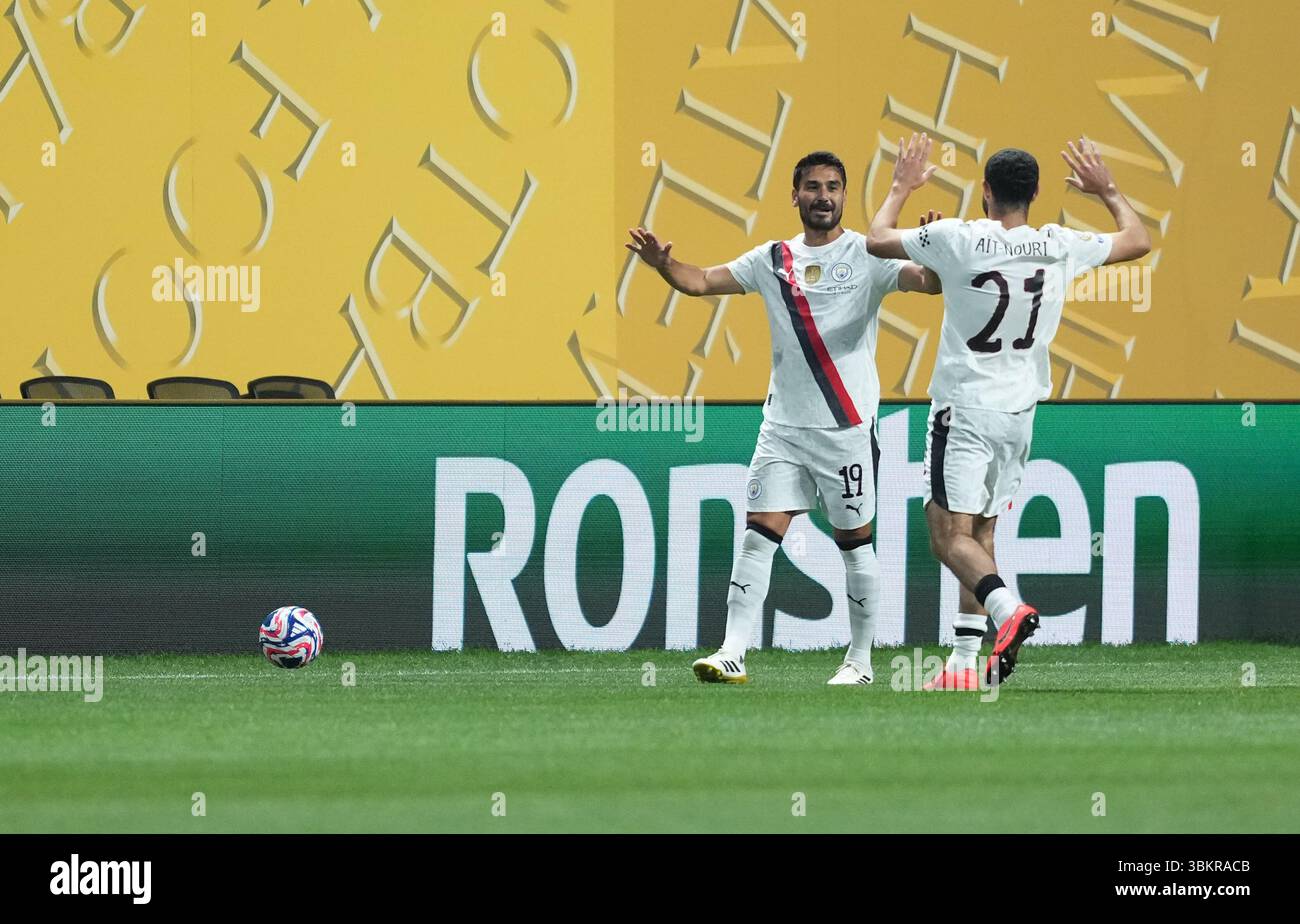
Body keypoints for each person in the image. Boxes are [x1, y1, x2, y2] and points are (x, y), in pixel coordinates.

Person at [626, 150, 941, 685]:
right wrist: (663, 266)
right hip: (782, 430)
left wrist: (933, 255)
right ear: (793, 195)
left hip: (846, 430)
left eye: (833, 187)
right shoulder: (771, 259)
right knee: (757, 537)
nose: (824, 196)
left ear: (844, 194)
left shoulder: (869, 255)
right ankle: (731, 652)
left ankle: (860, 663)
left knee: (855, 546)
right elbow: (701, 280)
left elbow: (928, 284)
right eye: (813, 187)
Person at [866, 133, 1151, 688]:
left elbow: (877, 239)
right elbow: (1137, 239)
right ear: (1037, 192)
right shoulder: (1057, 243)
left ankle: (1007, 611)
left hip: (966, 408)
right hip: (1019, 412)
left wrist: (902, 185)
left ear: (985, 191)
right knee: (981, 533)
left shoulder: (957, 237)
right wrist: (1107, 189)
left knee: (948, 537)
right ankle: (962, 666)